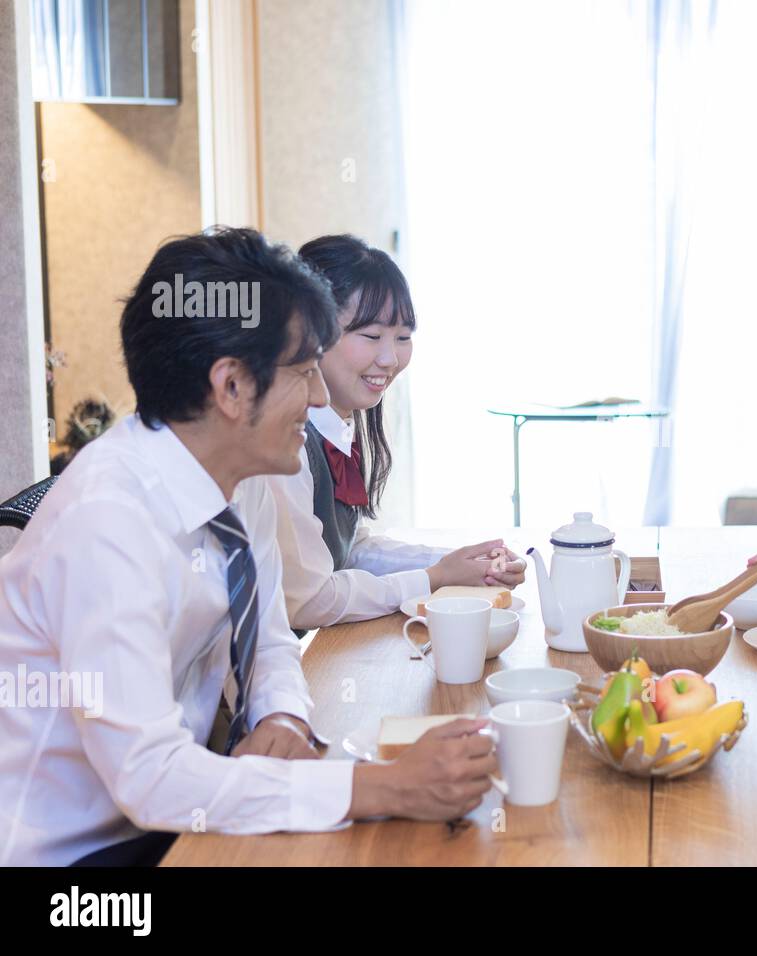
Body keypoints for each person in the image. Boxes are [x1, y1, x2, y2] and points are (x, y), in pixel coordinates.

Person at [0, 229, 496, 866]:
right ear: (231, 387)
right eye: (302, 372)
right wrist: (384, 785)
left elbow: (268, 637)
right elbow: (152, 777)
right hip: (66, 855)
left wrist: (283, 719)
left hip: (176, 817)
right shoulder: (107, 521)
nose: (319, 397)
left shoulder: (241, 479)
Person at [268, 234, 524, 632]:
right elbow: (309, 601)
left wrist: (461, 563)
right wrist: (434, 577)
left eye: (403, 337)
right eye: (371, 336)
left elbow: (348, 549)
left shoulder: (339, 424)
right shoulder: (286, 446)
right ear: (310, 332)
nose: (390, 359)